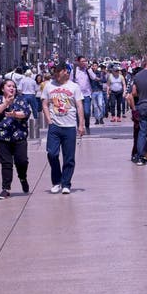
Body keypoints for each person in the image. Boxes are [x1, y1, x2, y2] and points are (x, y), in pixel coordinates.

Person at [41, 61, 85, 194]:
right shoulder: (49, 86)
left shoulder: (74, 87)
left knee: (69, 157)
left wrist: (81, 125)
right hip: (54, 126)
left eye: (58, 72)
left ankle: (66, 183)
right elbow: (44, 103)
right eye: (54, 73)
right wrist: (49, 119)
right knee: (52, 154)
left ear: (65, 72)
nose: (55, 75)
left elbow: (79, 106)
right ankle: (56, 181)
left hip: (70, 126)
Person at [0, 78, 30, 199]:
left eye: (13, 86)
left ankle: (22, 177)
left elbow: (26, 113)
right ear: (3, 88)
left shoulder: (20, 99)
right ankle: (5, 188)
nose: (12, 88)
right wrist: (6, 104)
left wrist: (14, 114)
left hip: (19, 136)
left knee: (21, 161)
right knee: (6, 163)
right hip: (2, 137)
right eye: (9, 86)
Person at [72, 55, 96, 134]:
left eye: (85, 61)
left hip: (87, 94)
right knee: (78, 112)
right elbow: (70, 82)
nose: (84, 63)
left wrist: (89, 69)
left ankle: (87, 124)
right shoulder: (74, 71)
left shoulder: (88, 70)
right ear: (78, 62)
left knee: (87, 112)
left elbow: (94, 77)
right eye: (82, 61)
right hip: (77, 95)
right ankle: (80, 126)